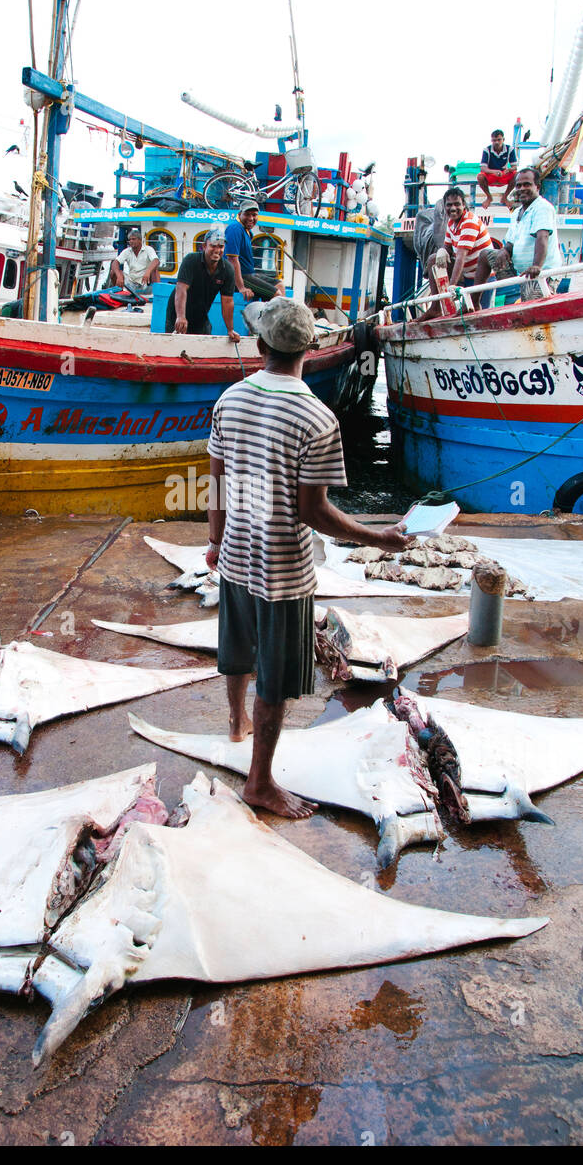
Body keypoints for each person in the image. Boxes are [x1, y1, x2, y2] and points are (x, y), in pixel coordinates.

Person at [207, 296, 409, 820]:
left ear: (259, 345)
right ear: (311, 350)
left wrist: (214, 541)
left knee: (238, 647)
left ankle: (234, 723)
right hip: (283, 569)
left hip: (236, 557)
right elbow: (315, 513)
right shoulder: (318, 418)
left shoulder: (229, 399)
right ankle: (259, 782)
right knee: (275, 679)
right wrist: (378, 538)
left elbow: (217, 483)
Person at [484, 167, 562, 301]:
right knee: (486, 255)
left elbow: (542, 237)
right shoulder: (516, 212)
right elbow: (511, 242)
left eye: (527, 184)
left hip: (541, 272)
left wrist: (537, 266)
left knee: (531, 306)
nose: (521, 188)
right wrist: (504, 250)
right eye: (518, 185)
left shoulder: (542, 207)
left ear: (537, 187)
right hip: (519, 271)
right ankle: (475, 303)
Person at [423, 186, 492, 314]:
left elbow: (461, 257)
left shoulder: (469, 222)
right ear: (444, 206)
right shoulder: (451, 222)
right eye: (449, 205)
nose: (453, 208)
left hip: (482, 277)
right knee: (433, 259)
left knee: (475, 313)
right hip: (466, 276)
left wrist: (452, 286)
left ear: (464, 205)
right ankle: (436, 307)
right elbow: (448, 247)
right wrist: (442, 251)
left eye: (457, 204)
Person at [167, 224, 240, 340]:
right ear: (204, 246)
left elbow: (227, 302)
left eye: (221, 247)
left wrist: (230, 329)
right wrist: (181, 316)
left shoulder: (228, 269)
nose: (217, 250)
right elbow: (181, 289)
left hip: (201, 311)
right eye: (213, 246)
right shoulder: (190, 260)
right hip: (178, 310)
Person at [223, 199, 284, 302]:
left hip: (250, 274)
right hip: (241, 276)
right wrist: (241, 287)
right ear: (240, 214)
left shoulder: (247, 231)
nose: (251, 218)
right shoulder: (235, 229)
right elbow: (232, 260)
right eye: (247, 214)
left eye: (254, 215)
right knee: (277, 294)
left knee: (279, 285)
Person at [109, 226, 160, 294]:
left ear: (140, 240)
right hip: (131, 281)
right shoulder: (127, 251)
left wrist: (148, 271)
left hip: (145, 282)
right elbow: (115, 262)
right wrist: (119, 275)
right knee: (113, 272)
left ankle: (156, 293)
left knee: (155, 270)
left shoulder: (148, 249)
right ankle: (119, 293)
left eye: (133, 239)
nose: (131, 241)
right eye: (130, 240)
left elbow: (156, 261)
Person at [477, 129, 518, 208]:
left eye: (499, 140)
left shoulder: (510, 149)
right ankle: (489, 197)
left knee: (516, 175)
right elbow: (483, 168)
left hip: (503, 175)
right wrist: (493, 172)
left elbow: (514, 167)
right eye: (494, 140)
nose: (496, 142)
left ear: (503, 139)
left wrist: (509, 170)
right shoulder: (487, 150)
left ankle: (505, 197)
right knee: (480, 176)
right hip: (491, 176)